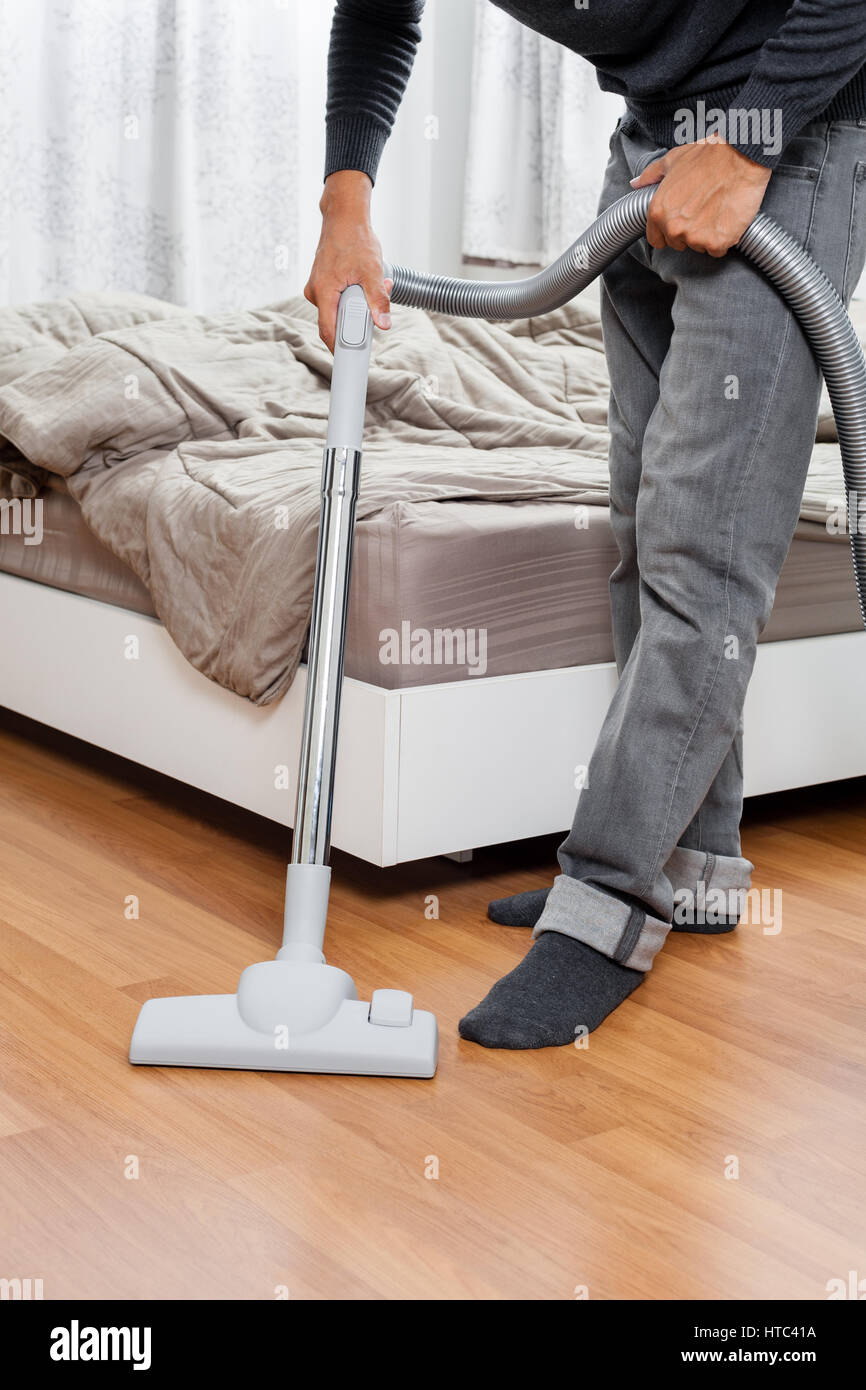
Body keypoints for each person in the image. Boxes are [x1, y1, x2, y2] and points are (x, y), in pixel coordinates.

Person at [306, 1, 866, 1050]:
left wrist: (750, 143)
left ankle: (604, 904)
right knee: (643, 529)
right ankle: (691, 868)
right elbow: (377, 16)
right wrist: (345, 203)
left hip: (789, 138)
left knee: (705, 549)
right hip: (650, 142)